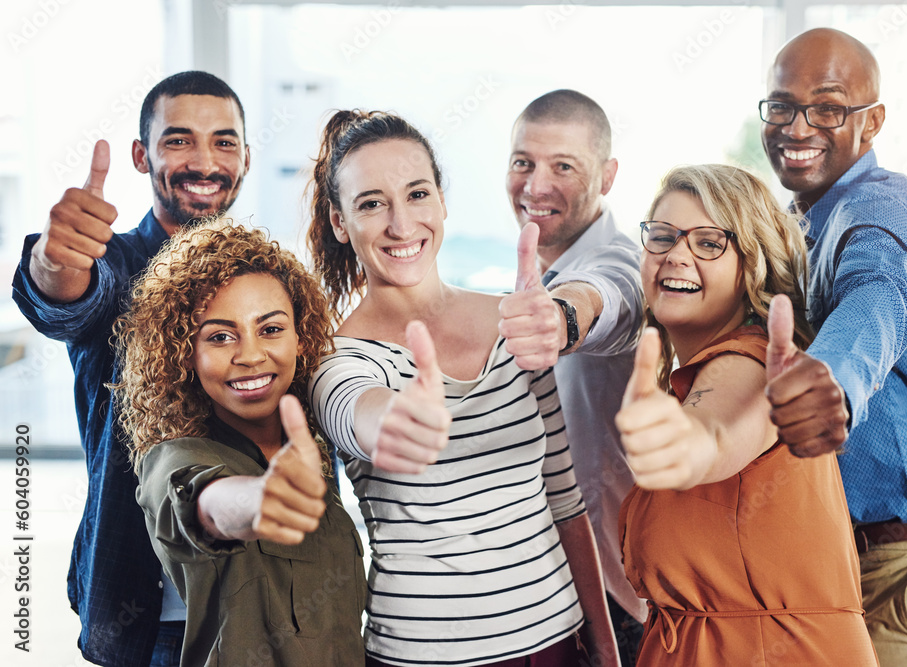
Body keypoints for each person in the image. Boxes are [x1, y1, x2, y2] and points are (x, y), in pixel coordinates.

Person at [305, 109, 619, 667]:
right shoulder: (337, 360)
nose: (401, 225)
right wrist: (398, 421)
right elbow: (358, 412)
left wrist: (604, 647)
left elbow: (564, 499)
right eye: (371, 204)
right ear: (338, 221)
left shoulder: (518, 321)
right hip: (422, 655)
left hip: (555, 642)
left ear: (442, 202)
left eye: (417, 194)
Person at [759, 28, 907, 665]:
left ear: (872, 123)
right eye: (781, 105)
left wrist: (829, 381)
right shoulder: (804, 217)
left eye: (829, 107)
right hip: (848, 564)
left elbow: (876, 301)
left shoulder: (883, 210)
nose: (798, 126)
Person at [10, 71, 250, 666]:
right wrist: (53, 259)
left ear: (246, 157)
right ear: (142, 156)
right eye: (179, 141)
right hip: (150, 619)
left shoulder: (262, 276)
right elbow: (68, 297)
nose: (204, 161)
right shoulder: (113, 261)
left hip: (252, 605)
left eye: (224, 141)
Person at [615, 164, 877, 666]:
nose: (676, 255)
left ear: (752, 264)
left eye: (709, 243)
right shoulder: (689, 374)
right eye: (663, 236)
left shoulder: (749, 363)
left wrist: (680, 445)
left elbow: (712, 436)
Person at [113, 221, 365, 667]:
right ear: (184, 353)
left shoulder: (310, 445)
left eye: (270, 329)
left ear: (301, 337)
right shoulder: (176, 457)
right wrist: (260, 499)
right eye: (220, 336)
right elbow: (206, 503)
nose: (249, 355)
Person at [499, 89, 647, 664]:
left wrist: (561, 319)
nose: (536, 186)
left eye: (564, 166)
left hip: (615, 592)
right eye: (523, 163)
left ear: (607, 176)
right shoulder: (529, 271)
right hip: (547, 586)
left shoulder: (622, 261)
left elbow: (612, 299)